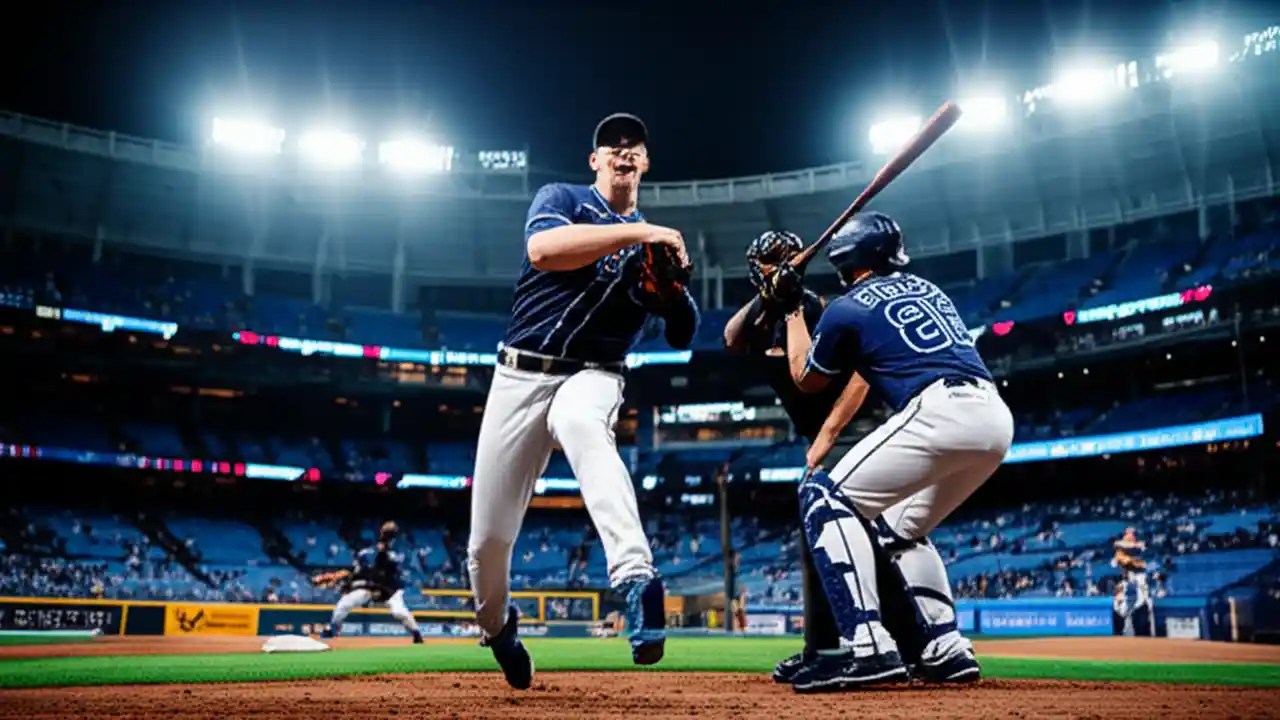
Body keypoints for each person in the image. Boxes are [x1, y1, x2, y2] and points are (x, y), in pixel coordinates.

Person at [468, 112, 699, 690]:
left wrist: (673, 296)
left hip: (594, 375)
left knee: (580, 421)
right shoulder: (563, 198)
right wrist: (641, 233)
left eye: (634, 146)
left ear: (645, 162)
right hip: (520, 375)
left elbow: (683, 334)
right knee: (486, 547)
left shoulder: (657, 248)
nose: (623, 151)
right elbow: (545, 251)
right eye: (611, 145)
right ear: (594, 160)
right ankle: (498, 628)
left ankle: (638, 578)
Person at [784, 211, 1013, 693]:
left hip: (938, 409)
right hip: (994, 417)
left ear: (845, 260)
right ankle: (946, 647)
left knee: (823, 498)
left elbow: (809, 378)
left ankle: (869, 646)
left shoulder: (847, 306)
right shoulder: (931, 289)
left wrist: (790, 309)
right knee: (901, 529)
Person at [723, 231, 940, 685]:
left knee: (861, 538)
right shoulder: (766, 318)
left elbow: (863, 372)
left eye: (784, 259)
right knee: (818, 541)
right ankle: (822, 647)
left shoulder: (822, 307)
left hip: (854, 432)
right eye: (769, 261)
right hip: (821, 440)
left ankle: (908, 646)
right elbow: (732, 338)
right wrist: (773, 295)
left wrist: (829, 432)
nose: (777, 265)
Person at [316, 521, 423, 644]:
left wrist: (385, 544)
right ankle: (332, 628)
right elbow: (357, 574)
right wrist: (347, 584)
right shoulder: (366, 555)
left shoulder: (393, 557)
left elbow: (386, 577)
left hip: (389, 590)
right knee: (346, 602)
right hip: (369, 588)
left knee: (399, 612)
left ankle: (416, 633)